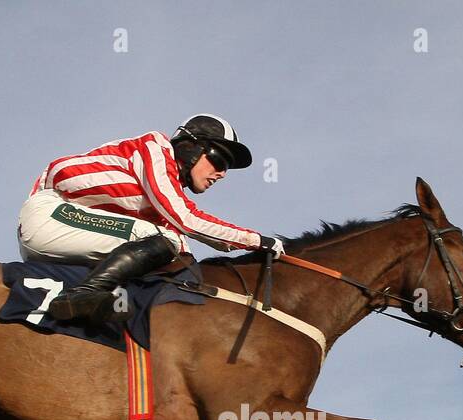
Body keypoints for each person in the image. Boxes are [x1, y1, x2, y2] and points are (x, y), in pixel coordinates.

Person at [18, 113, 284, 324]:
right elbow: (186, 219)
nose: (222, 174)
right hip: (50, 216)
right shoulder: (155, 147)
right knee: (167, 240)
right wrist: (256, 241)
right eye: (219, 161)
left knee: (173, 252)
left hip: (70, 230)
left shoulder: (159, 193)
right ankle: (81, 296)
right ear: (191, 148)